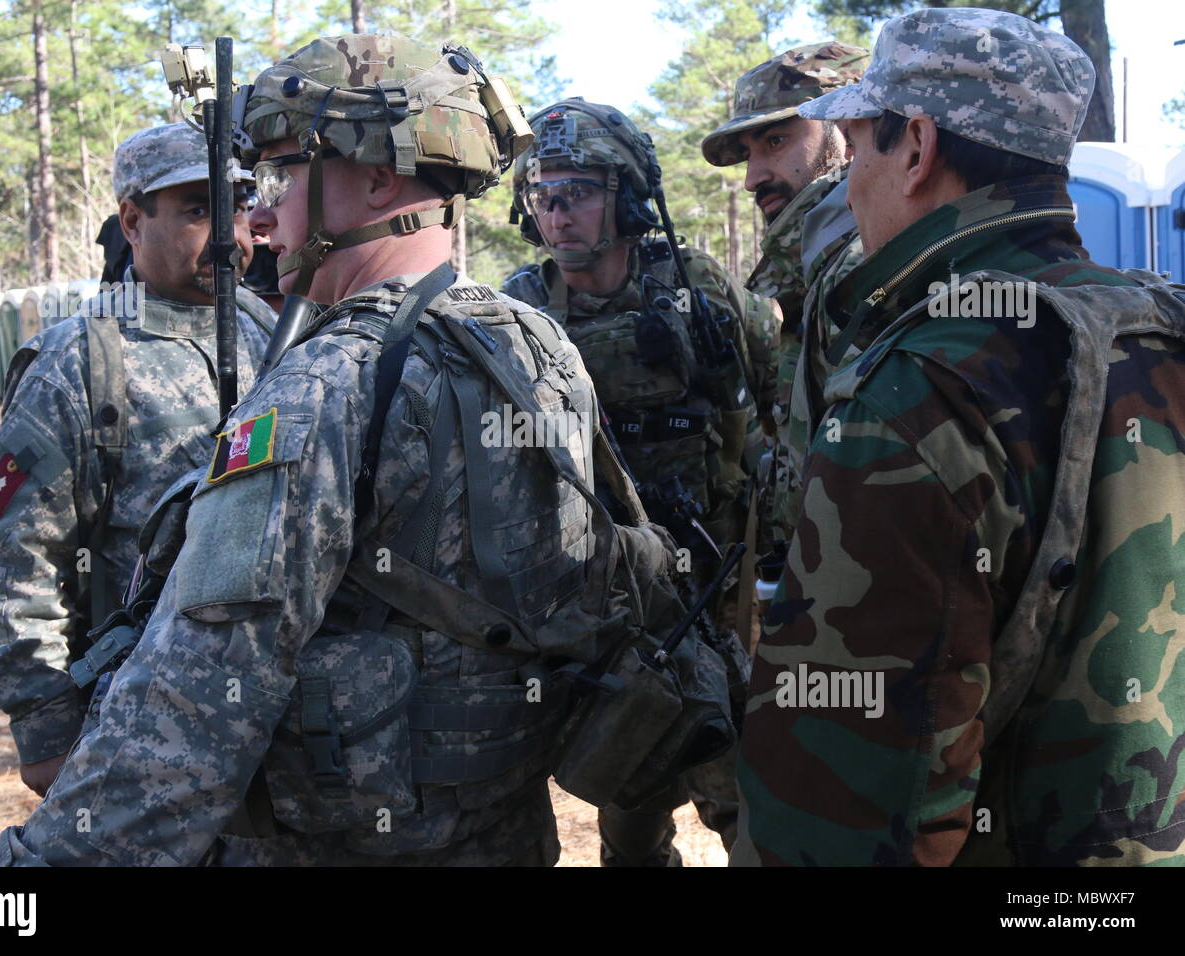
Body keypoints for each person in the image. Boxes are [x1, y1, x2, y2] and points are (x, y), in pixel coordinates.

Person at [0, 33, 665, 867]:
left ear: (378, 175)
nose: (256, 216)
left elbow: (188, 714)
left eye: (278, 176)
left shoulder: (324, 384)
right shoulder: (535, 342)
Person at [733, 6, 1185, 866]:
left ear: (917, 149)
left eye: (860, 145)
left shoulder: (917, 389)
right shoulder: (1157, 327)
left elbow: (849, 813)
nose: (851, 181)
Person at [0, 122, 275, 797]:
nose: (228, 234)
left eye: (237, 207)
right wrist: (44, 728)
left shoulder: (271, 334)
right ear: (132, 221)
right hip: (138, 721)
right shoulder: (75, 361)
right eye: (196, 210)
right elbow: (8, 555)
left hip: (275, 718)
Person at [502, 98, 762, 866]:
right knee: (632, 818)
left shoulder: (698, 291)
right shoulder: (519, 309)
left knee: (751, 810)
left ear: (627, 198)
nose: (557, 214)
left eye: (577, 191)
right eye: (543, 195)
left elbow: (779, 410)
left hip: (710, 600)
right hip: (607, 613)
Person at [701, 41, 869, 608]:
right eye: (749, 152)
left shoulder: (869, 268)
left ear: (847, 130)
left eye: (775, 141)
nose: (752, 178)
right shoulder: (807, 271)